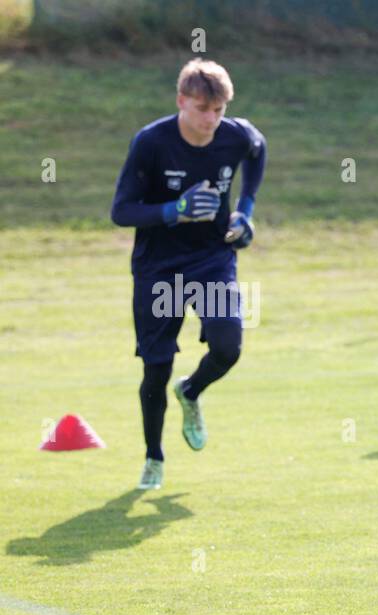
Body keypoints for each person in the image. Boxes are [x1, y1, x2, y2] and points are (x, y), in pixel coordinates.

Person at [110, 58, 265, 490]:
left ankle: (192, 390)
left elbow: (258, 150)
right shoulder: (151, 143)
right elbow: (121, 211)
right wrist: (174, 211)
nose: (212, 120)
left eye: (219, 110)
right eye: (202, 109)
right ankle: (153, 458)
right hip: (158, 269)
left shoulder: (235, 136)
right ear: (182, 101)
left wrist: (246, 211)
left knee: (228, 346)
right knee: (156, 369)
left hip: (212, 260)